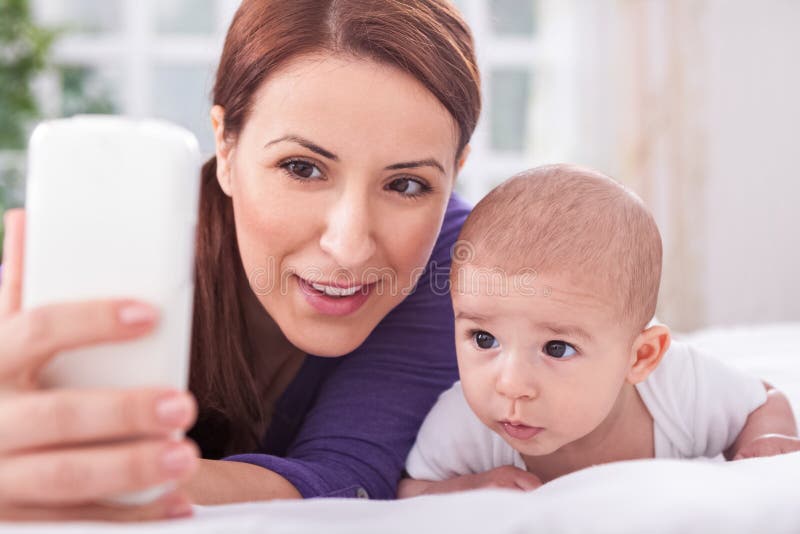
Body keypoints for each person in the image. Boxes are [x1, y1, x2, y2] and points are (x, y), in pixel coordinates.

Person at [0, 1, 793, 523]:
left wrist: (105, 480)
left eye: (408, 183)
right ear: (227, 144)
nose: (350, 244)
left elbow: (346, 479)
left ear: (458, 170)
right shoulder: (128, 240)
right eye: (302, 168)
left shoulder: (461, 271)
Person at [399, 165, 800, 497]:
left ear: (641, 357)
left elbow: (764, 400)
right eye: (483, 339)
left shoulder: (678, 389)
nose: (511, 384)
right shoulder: (465, 423)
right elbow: (411, 488)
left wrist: (765, 443)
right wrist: (472, 485)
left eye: (557, 348)